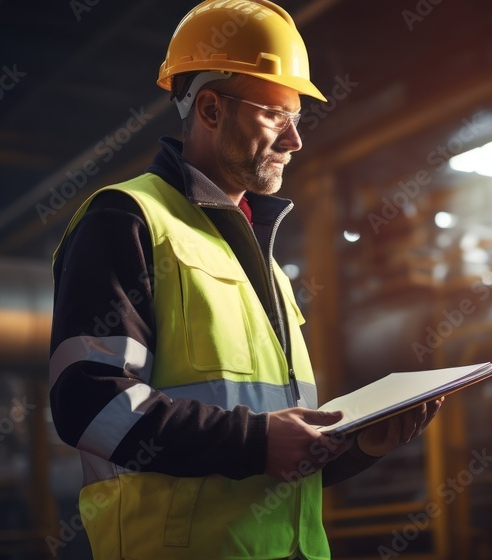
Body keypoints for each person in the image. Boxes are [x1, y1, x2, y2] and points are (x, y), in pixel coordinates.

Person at [48, 1, 442, 558]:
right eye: (275, 115)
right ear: (209, 108)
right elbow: (89, 404)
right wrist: (255, 442)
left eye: (297, 118)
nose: (294, 141)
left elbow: (275, 468)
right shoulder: (128, 220)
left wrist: (359, 446)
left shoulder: (264, 265)